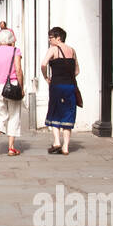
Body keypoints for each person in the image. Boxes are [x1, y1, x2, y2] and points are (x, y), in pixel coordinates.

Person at [0, 29, 24, 157]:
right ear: (11, 40)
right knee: (13, 115)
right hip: (12, 85)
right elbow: (18, 70)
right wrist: (21, 87)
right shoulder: (15, 51)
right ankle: (11, 148)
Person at [41, 26, 80, 155]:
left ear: (59, 38)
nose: (49, 40)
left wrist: (46, 77)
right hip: (70, 86)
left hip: (56, 85)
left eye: (51, 37)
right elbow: (77, 71)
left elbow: (43, 64)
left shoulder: (53, 49)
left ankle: (57, 141)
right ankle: (66, 147)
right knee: (68, 113)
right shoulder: (72, 51)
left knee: (55, 112)